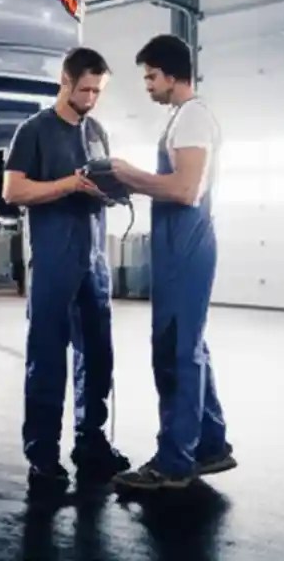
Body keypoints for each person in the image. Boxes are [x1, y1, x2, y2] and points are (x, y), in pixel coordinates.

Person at [107, 34, 237, 491]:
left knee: (176, 351)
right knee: (190, 346)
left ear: (170, 74)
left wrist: (130, 176)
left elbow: (185, 190)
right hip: (178, 247)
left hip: (186, 247)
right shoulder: (183, 118)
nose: (147, 86)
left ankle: (173, 462)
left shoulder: (193, 117)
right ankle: (211, 445)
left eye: (150, 77)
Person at [2, 46, 132, 495]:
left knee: (98, 356)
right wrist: (69, 185)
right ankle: (42, 456)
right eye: (86, 89)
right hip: (55, 258)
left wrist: (110, 191)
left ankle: (90, 443)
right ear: (65, 81)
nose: (93, 98)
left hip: (94, 259)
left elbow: (97, 180)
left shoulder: (96, 130)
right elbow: (13, 191)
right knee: (47, 359)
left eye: (99, 91)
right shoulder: (34, 131)